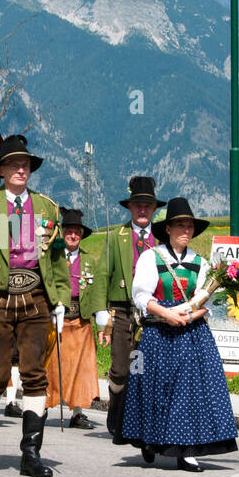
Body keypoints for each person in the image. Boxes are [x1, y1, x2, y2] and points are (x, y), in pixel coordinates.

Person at [0, 133, 70, 477]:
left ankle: (30, 454)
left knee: (35, 374)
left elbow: (59, 258)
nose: (20, 170)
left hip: (36, 297)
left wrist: (61, 300)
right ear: (1, 170)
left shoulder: (48, 207)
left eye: (25, 165)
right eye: (13, 164)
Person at [123, 197, 238, 470]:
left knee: (189, 391)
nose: (186, 231)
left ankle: (186, 449)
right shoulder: (152, 257)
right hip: (158, 333)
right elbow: (141, 296)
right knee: (154, 388)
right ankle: (149, 441)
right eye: (180, 226)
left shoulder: (201, 263)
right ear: (168, 230)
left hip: (192, 334)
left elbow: (206, 303)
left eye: (189, 227)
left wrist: (186, 317)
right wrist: (167, 315)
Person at [96, 177, 168, 446]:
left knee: (143, 370)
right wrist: (101, 312)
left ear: (154, 210)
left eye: (147, 206)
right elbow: (103, 274)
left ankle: (134, 422)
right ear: (129, 208)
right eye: (137, 205)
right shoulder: (117, 237)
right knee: (122, 369)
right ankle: (115, 407)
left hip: (152, 316)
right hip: (123, 311)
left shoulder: (162, 240)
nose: (142, 211)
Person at [47, 208, 108, 429]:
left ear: (82, 235)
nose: (73, 236)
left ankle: (78, 412)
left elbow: (99, 291)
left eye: (77, 232)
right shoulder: (51, 258)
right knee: (52, 365)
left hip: (81, 320)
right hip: (57, 319)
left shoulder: (91, 261)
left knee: (82, 369)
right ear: (62, 234)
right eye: (69, 231)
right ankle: (44, 405)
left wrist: (102, 322)